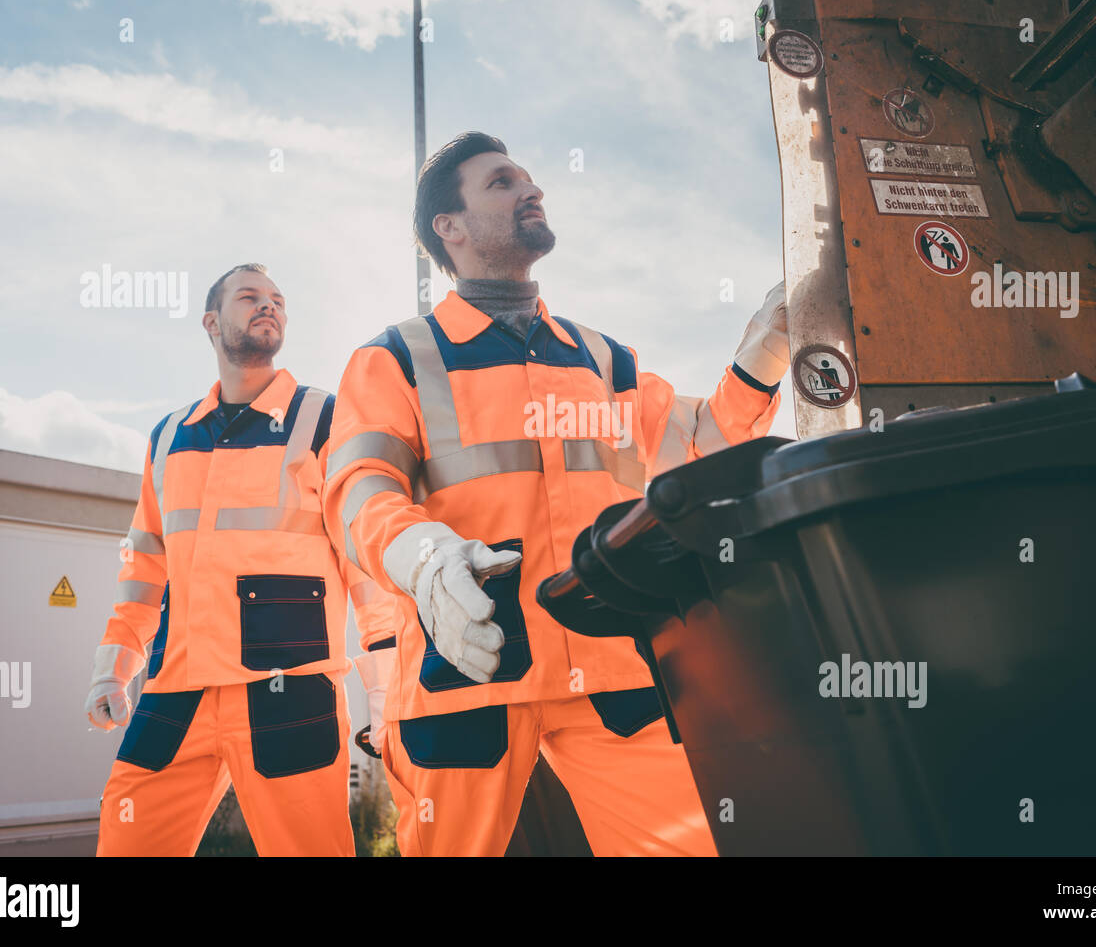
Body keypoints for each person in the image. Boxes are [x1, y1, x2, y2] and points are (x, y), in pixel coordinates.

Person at [323, 133, 791, 855]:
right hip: (469, 669)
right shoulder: (396, 358)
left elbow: (699, 440)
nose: (530, 190)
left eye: (531, 180)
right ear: (448, 227)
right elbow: (361, 485)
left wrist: (763, 350)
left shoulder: (605, 359)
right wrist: (420, 556)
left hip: (611, 667)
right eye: (503, 183)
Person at [86, 263, 362, 856]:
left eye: (279, 301)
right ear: (211, 322)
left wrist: (389, 691)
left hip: (290, 690)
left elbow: (364, 558)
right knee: (126, 840)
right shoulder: (168, 437)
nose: (269, 307)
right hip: (175, 688)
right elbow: (143, 569)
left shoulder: (326, 420)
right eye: (250, 297)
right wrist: (114, 669)